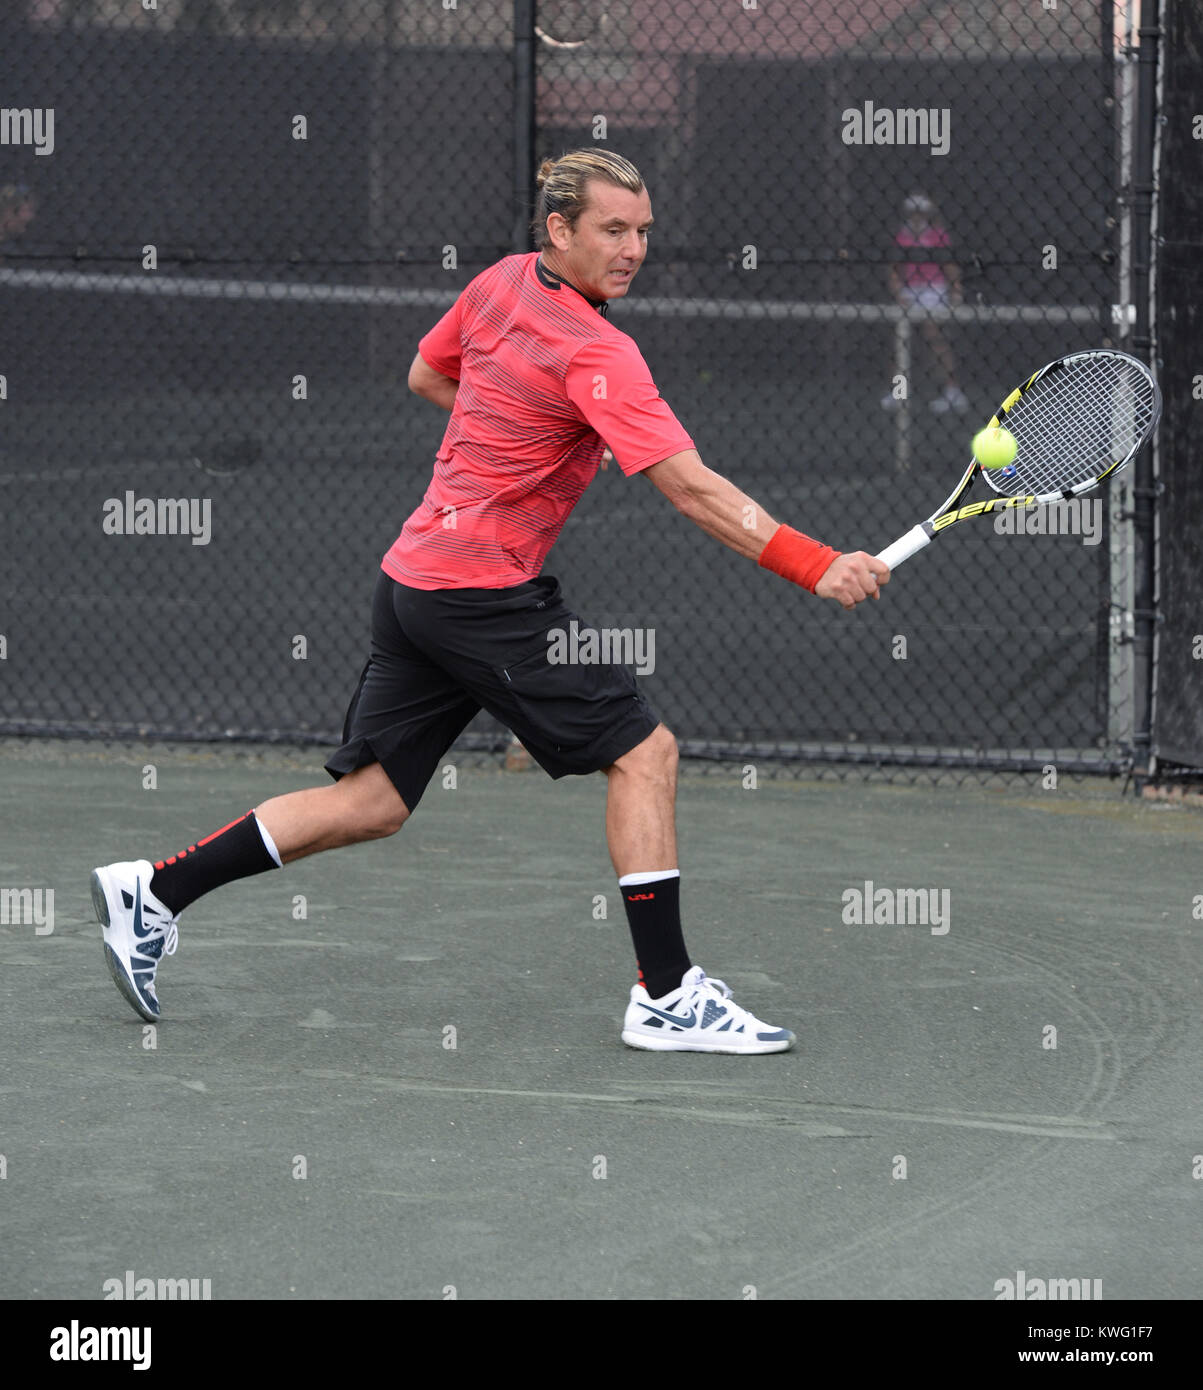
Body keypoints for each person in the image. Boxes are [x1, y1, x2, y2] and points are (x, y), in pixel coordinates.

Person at [91, 149, 889, 1054]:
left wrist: (508, 434)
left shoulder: (500, 284)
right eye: (611, 230)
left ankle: (153, 890)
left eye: (642, 232)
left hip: (413, 583)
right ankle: (665, 995)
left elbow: (428, 375)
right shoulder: (600, 354)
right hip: (478, 595)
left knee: (373, 802)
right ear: (559, 230)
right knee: (644, 752)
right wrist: (814, 562)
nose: (632, 249)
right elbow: (691, 489)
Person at [881, 193, 968, 415]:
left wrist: (955, 289)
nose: (917, 217)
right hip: (910, 290)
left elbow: (949, 265)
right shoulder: (902, 236)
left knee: (936, 339)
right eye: (913, 212)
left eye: (921, 212)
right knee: (901, 341)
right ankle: (898, 394)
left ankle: (952, 393)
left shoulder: (938, 235)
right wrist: (899, 292)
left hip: (934, 290)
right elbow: (893, 268)